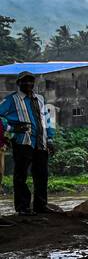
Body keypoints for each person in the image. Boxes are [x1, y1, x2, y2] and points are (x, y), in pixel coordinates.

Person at [0, 71, 57, 216]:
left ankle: (41, 205)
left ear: (34, 83)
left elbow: (46, 119)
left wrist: (50, 139)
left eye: (30, 81)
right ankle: (23, 207)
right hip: (22, 142)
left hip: (41, 142)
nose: (28, 84)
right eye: (24, 81)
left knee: (41, 175)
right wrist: (11, 128)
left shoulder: (39, 99)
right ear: (19, 83)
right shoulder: (12, 100)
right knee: (21, 176)